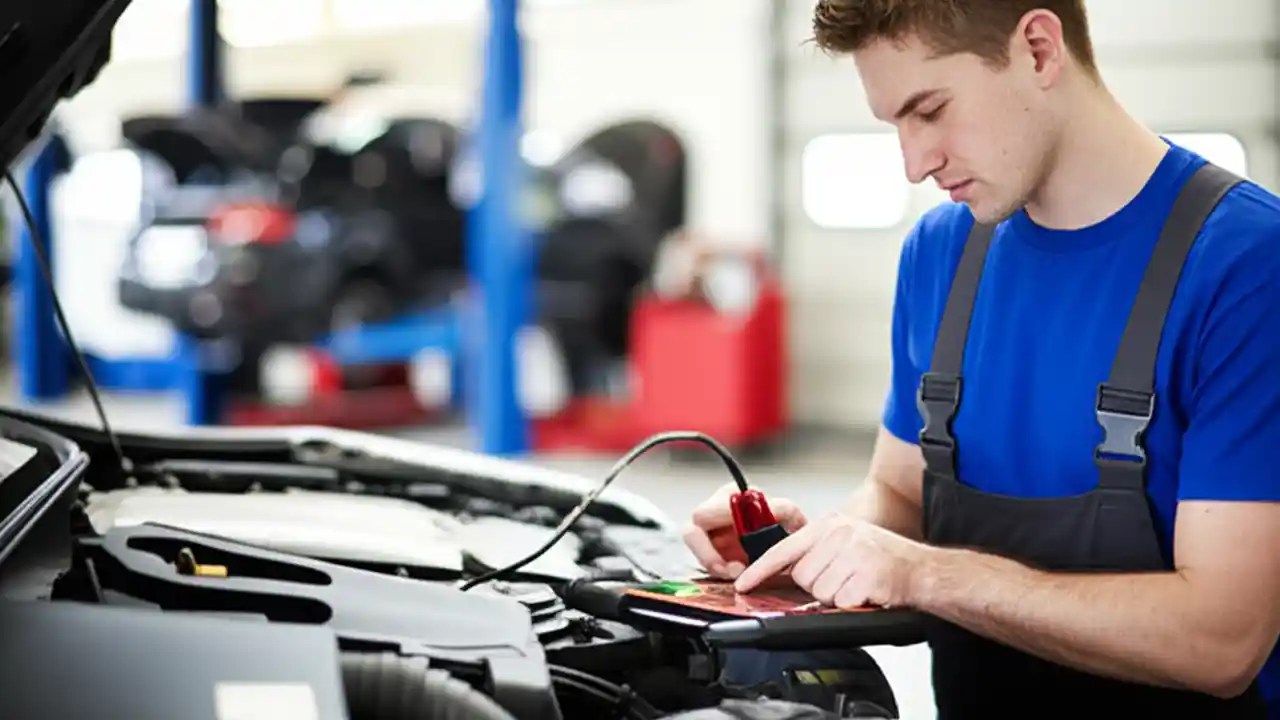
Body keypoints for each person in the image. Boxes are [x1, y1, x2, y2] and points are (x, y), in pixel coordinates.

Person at [684, 1, 1280, 716]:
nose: (914, 162)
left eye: (930, 110)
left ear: (1037, 48)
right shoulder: (941, 253)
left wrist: (929, 576)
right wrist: (811, 547)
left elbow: (1221, 641)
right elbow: (902, 494)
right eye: (895, 125)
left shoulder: (1245, 267)